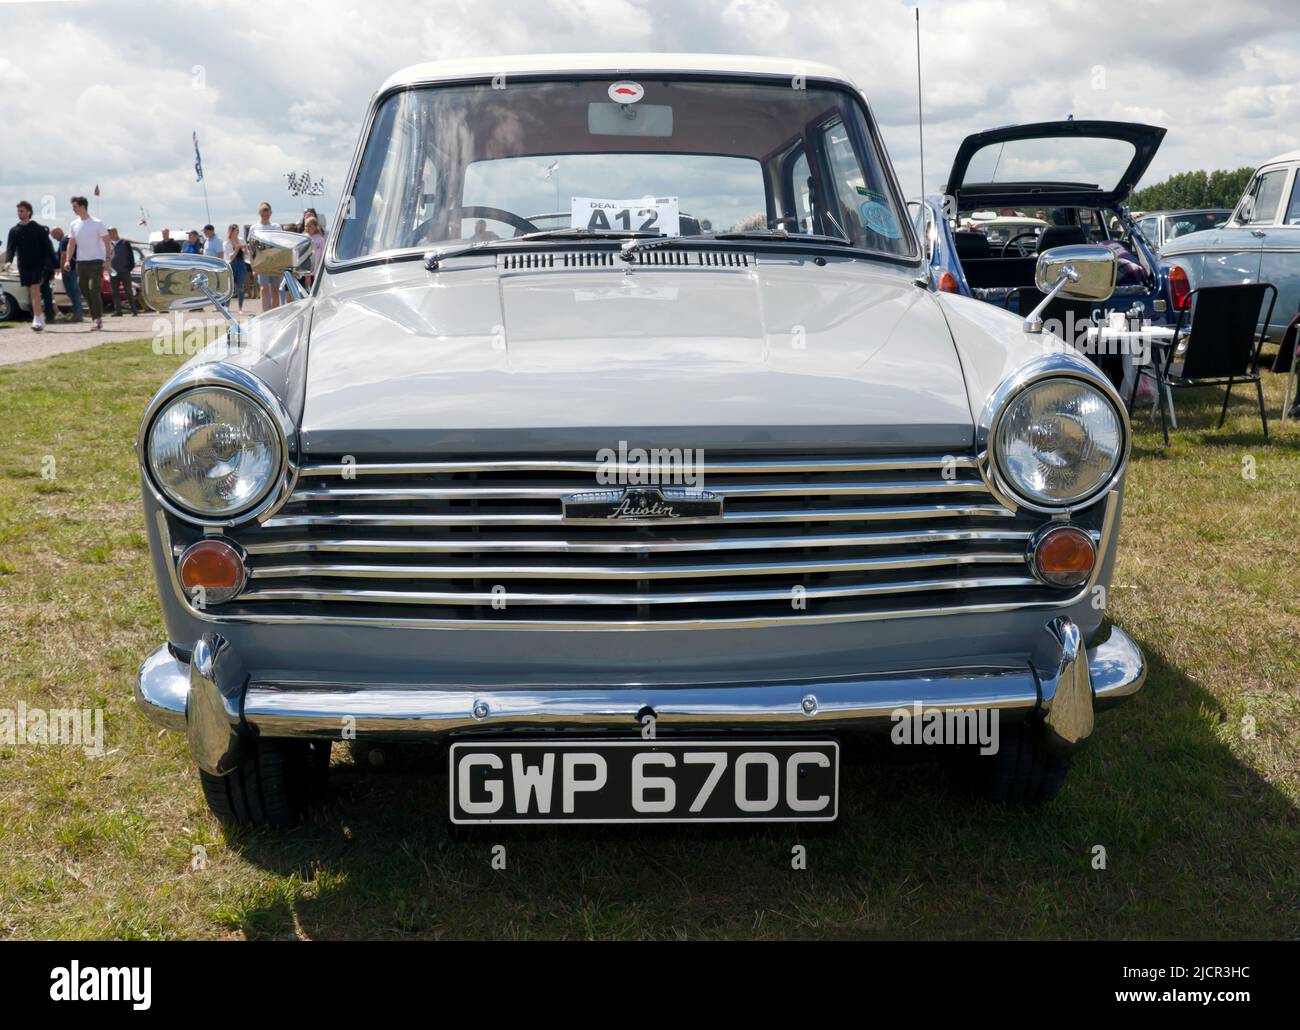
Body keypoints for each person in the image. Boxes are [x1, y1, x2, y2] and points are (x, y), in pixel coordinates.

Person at [4, 200, 56, 331]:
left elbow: (49, 247)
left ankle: (37, 318)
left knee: (35, 290)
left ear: (29, 212)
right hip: (23, 265)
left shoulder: (38, 228)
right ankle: (39, 317)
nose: (19, 213)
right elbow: (10, 248)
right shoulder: (14, 230)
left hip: (38, 264)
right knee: (31, 292)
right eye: (18, 211)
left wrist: (55, 265)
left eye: (22, 211)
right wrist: (8, 261)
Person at [65, 195, 109, 330]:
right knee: (83, 288)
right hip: (81, 261)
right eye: (73, 207)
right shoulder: (74, 224)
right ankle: (95, 315)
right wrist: (67, 260)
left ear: (83, 206)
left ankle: (97, 318)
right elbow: (71, 244)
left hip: (96, 260)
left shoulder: (97, 222)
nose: (73, 209)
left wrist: (107, 259)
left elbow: (107, 242)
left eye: (75, 207)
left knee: (93, 288)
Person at [244, 202, 281, 312]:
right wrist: (253, 265)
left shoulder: (276, 226)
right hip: (261, 262)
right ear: (259, 212)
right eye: (262, 210)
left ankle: (275, 312)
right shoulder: (254, 228)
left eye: (267, 210)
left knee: (275, 289)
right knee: (264, 287)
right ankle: (265, 312)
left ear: (270, 212)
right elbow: (250, 247)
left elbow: (280, 243)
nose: (265, 213)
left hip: (274, 261)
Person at [50, 226, 83, 322]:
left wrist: (60, 269)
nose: (53, 238)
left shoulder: (64, 241)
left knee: (73, 292)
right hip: (72, 269)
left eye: (53, 235)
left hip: (69, 270)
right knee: (72, 292)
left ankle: (77, 314)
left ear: (58, 232)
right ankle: (77, 313)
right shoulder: (67, 240)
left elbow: (63, 256)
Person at [107, 226, 137, 316]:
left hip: (124, 271)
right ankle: (118, 311)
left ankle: (133, 310)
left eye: (110, 232)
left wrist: (129, 267)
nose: (108, 234)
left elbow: (131, 256)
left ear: (115, 233)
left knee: (128, 291)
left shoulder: (125, 243)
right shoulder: (108, 244)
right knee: (114, 291)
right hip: (113, 271)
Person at [224, 223, 249, 311]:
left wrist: (245, 248)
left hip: (241, 264)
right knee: (230, 287)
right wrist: (237, 248)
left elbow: (247, 253)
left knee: (241, 286)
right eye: (236, 230)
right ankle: (227, 307)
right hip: (231, 265)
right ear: (231, 231)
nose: (238, 232)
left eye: (238, 230)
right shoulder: (227, 243)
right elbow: (230, 257)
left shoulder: (241, 240)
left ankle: (240, 308)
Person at [304, 215, 326, 287]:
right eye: (306, 226)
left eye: (309, 226)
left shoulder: (320, 239)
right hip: (306, 264)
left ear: (315, 226)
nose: (307, 228)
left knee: (316, 282)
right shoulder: (304, 237)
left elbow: (323, 254)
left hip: (316, 265)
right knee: (307, 280)